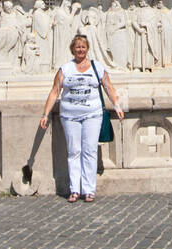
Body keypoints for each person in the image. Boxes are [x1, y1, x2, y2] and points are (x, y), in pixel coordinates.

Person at [40, 33, 124, 202]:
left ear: (87, 49)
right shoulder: (65, 69)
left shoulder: (97, 67)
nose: (80, 49)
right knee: (74, 151)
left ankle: (88, 189)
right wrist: (45, 114)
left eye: (83, 47)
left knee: (90, 150)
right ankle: (74, 189)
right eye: (77, 47)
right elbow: (55, 91)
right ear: (73, 49)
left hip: (92, 114)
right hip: (70, 115)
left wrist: (117, 105)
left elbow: (109, 87)